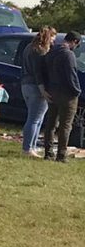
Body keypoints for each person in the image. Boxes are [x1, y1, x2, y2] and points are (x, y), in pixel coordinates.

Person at [41, 32, 81, 163]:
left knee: (51, 123)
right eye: (77, 44)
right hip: (67, 94)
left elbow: (44, 72)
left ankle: (48, 152)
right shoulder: (68, 54)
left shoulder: (51, 52)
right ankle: (61, 155)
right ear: (74, 41)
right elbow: (71, 75)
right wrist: (76, 91)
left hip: (53, 91)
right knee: (65, 125)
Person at [18, 28, 54, 156]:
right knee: (34, 119)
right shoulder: (40, 51)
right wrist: (43, 90)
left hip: (25, 85)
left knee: (36, 118)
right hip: (36, 87)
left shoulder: (29, 47)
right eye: (52, 39)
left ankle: (31, 146)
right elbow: (38, 73)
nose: (53, 43)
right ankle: (27, 148)